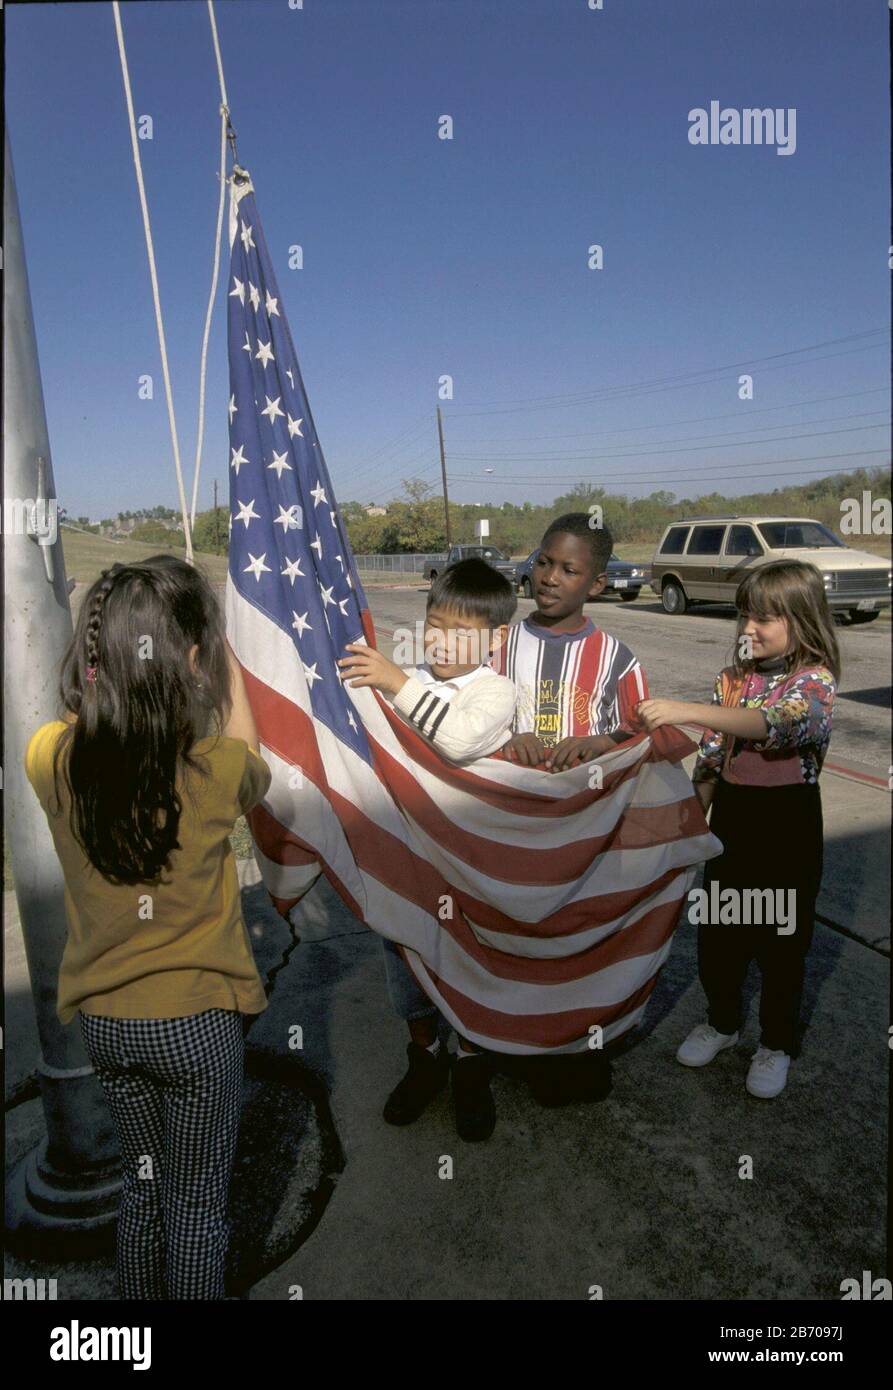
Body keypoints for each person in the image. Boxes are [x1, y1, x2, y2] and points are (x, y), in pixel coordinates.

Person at [24, 556, 272, 1299]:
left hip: (105, 1025)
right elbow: (254, 757)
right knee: (197, 1207)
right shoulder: (217, 767)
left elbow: (87, 722)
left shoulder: (49, 758)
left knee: (143, 1191)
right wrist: (215, 668)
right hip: (195, 1025)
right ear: (191, 662)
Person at [636, 560, 839, 1099]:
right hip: (734, 823)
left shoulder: (814, 682)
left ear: (802, 619)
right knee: (720, 939)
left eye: (764, 618)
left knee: (782, 945)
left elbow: (774, 725)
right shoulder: (734, 681)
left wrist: (686, 709)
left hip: (788, 826)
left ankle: (776, 1043)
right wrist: (692, 819)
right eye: (744, 615)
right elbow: (712, 755)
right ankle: (723, 1022)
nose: (748, 628)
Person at [337, 558, 517, 1142]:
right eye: (434, 624)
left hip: (468, 870)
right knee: (405, 961)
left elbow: (462, 740)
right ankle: (425, 1057)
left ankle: (470, 1065)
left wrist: (395, 682)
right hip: (408, 861)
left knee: (469, 963)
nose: (441, 641)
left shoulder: (497, 692)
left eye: (462, 631)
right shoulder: (407, 675)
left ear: (495, 639)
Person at [490, 512, 649, 1104]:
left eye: (569, 569)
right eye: (543, 562)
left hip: (588, 840)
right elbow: (463, 722)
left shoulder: (617, 658)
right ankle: (514, 1042)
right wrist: (506, 740)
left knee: (579, 941)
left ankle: (576, 1051)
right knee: (519, 935)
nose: (550, 578)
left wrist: (603, 743)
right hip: (514, 829)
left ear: (597, 585)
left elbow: (643, 737)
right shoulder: (498, 645)